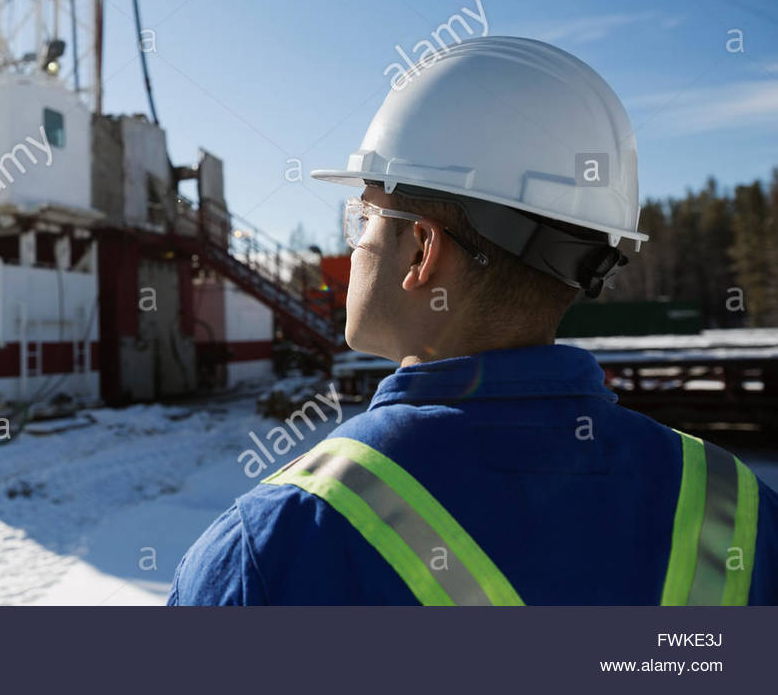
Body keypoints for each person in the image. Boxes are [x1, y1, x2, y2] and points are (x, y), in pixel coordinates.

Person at [168, 36, 777, 605]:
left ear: (421, 250)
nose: (354, 246)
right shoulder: (741, 512)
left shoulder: (273, 546)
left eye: (364, 216)